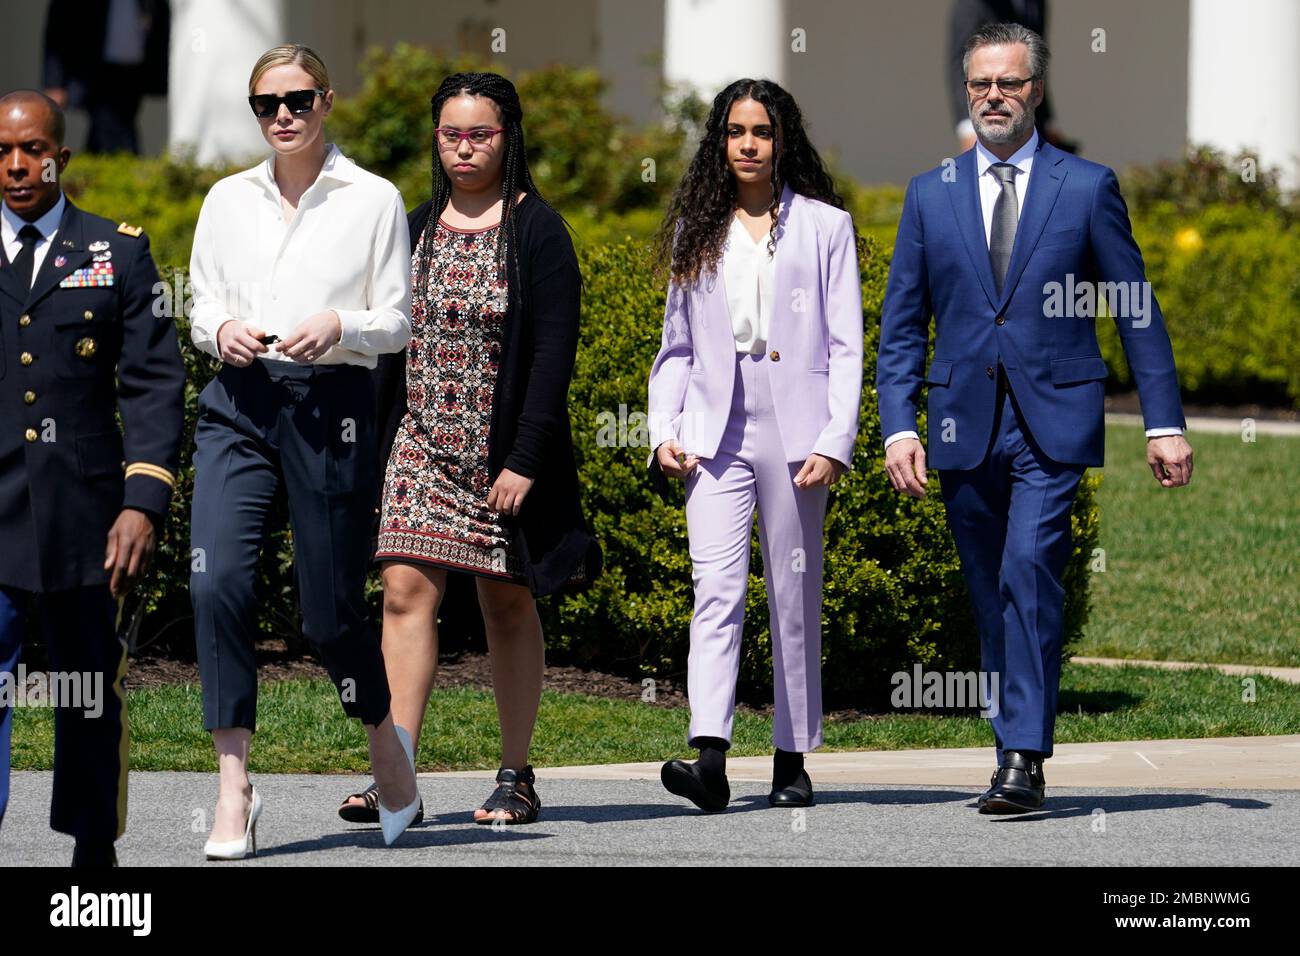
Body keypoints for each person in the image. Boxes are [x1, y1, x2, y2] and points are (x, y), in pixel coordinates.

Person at [877, 22, 1192, 814]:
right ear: (966, 90)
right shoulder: (930, 192)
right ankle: (1010, 741)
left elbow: (1135, 311)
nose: (993, 96)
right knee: (990, 592)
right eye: (981, 83)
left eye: (1009, 83)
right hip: (960, 422)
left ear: (1037, 92)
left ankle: (1022, 757)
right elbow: (903, 323)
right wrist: (899, 424)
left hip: (1053, 421)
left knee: (1029, 573)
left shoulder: (1086, 187)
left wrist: (1163, 421)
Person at [337, 71, 601, 828]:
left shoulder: (538, 231)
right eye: (450, 133)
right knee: (403, 592)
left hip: (500, 456)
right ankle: (399, 775)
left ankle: (516, 774)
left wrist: (524, 459)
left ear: (507, 137)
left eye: (479, 133)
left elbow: (553, 357)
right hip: (418, 443)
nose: (463, 147)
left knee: (507, 604)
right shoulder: (412, 225)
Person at [187, 44, 419, 858]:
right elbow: (199, 301)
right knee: (216, 583)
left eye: (296, 99)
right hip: (239, 404)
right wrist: (220, 328)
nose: (281, 115)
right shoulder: (225, 198)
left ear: (327, 101)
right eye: (265, 103)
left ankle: (385, 742)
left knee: (328, 613)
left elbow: (397, 320)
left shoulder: (375, 199)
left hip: (333, 407)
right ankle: (233, 788)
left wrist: (342, 325)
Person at [645, 78, 864, 812]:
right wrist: (664, 430)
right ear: (720, 141)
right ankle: (709, 758)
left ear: (782, 140)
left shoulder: (826, 228)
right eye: (736, 131)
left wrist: (837, 439)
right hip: (716, 433)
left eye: (762, 132)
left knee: (792, 595)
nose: (748, 144)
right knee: (716, 590)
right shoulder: (696, 231)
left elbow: (846, 343)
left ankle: (791, 759)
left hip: (797, 433)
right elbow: (675, 347)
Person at [0, 89, 185, 866]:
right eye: (2, 152)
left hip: (86, 514)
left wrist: (143, 500)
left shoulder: (117, 251)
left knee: (87, 688)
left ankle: (91, 850)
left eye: (33, 149)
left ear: (61, 156)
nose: (16, 166)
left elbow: (151, 383)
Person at [42, 0, 170, 154]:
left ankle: (101, 169)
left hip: (135, 72)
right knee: (110, 127)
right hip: (98, 71)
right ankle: (124, 167)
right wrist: (54, 81)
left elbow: (161, 19)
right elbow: (58, 26)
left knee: (115, 128)